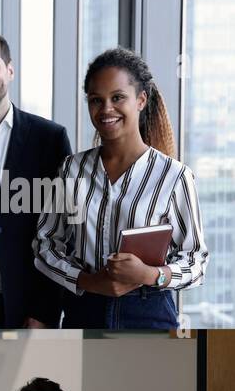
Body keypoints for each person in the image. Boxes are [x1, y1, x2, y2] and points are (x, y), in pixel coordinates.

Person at [33, 48, 207, 330]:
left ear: (140, 100)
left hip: (149, 310)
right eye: (96, 100)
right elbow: (45, 245)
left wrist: (151, 274)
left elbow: (196, 260)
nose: (106, 109)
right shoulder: (71, 170)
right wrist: (88, 281)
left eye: (117, 98)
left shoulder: (174, 176)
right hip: (84, 308)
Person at [0, 30, 71, 329]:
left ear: (10, 69)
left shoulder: (50, 139)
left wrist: (46, 310)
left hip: (29, 306)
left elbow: (64, 230)